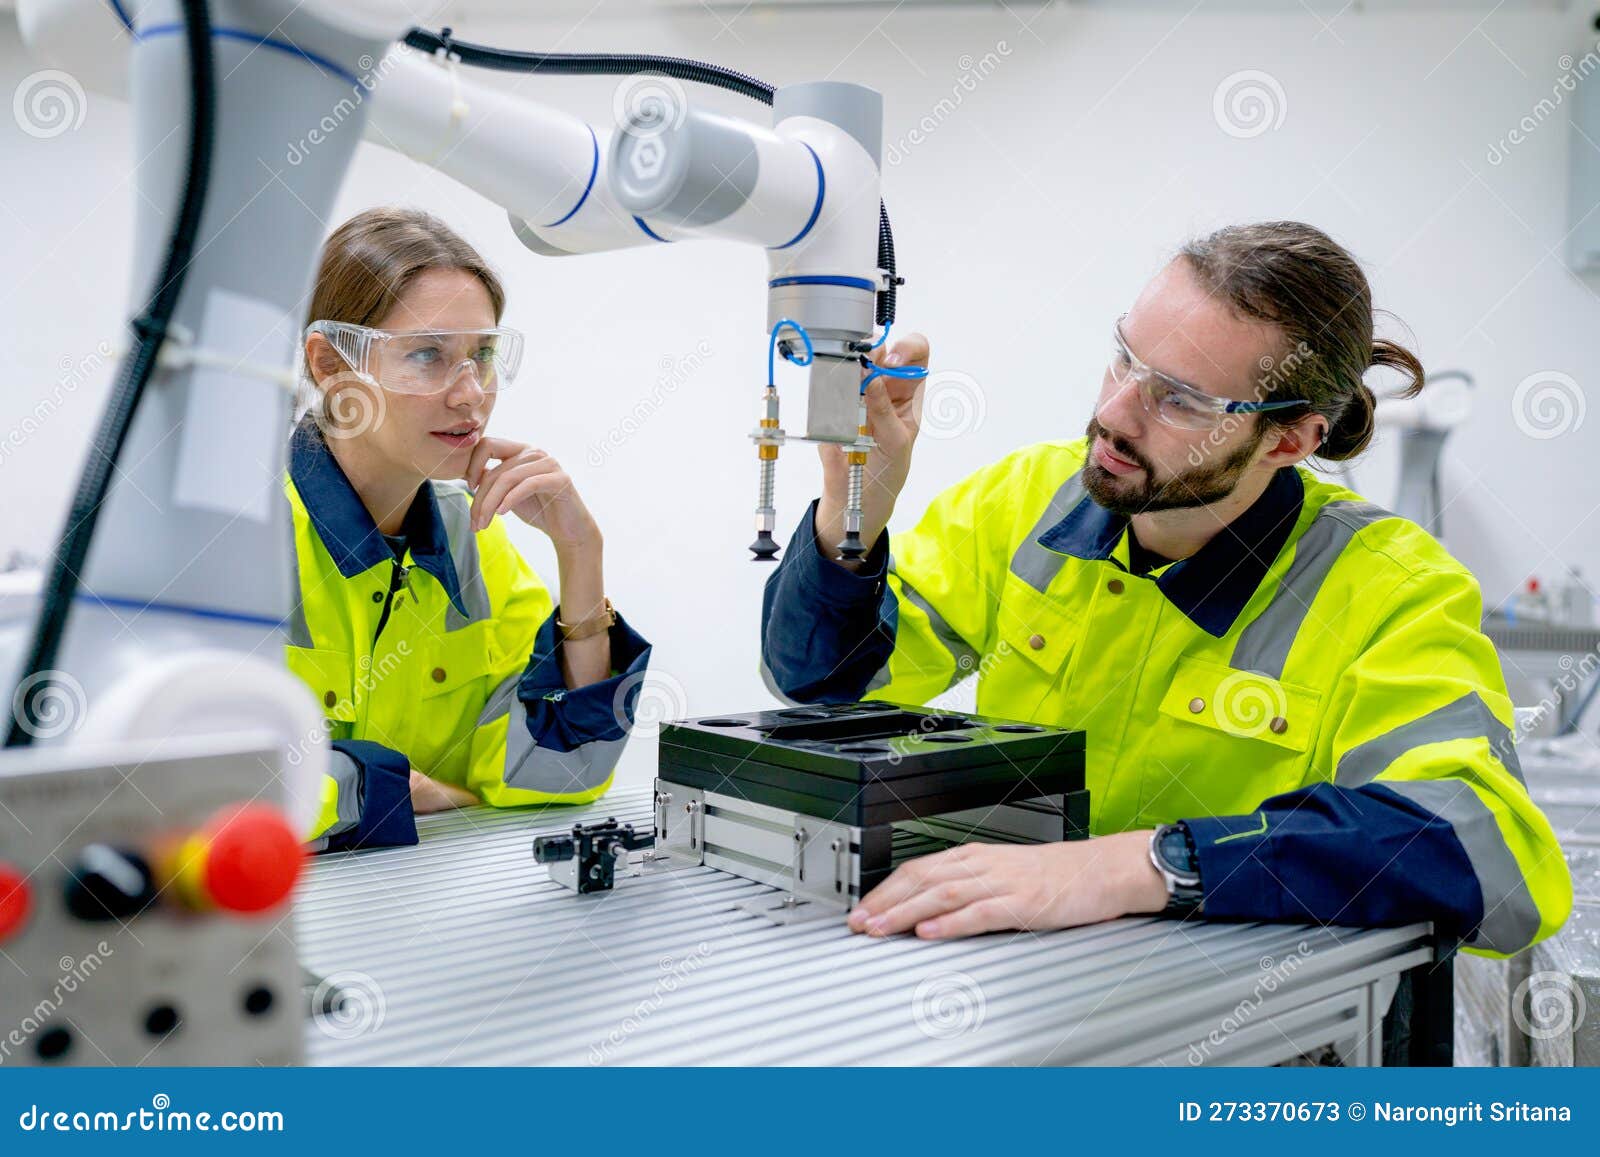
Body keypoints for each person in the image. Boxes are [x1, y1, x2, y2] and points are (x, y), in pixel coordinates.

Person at [761, 221, 1571, 957]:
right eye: (1126, 357)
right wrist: (853, 506)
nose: (1115, 413)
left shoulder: (1393, 588)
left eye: (1180, 399)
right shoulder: (1028, 499)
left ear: (1288, 439)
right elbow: (823, 689)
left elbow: (1488, 855)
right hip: (1021, 984)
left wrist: (1138, 865)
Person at [289, 207, 649, 851]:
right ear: (330, 364)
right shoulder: (236, 537)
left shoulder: (475, 538)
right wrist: (394, 791)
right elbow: (193, 785)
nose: (471, 394)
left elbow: (558, 773)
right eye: (428, 355)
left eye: (481, 355)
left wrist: (580, 555)